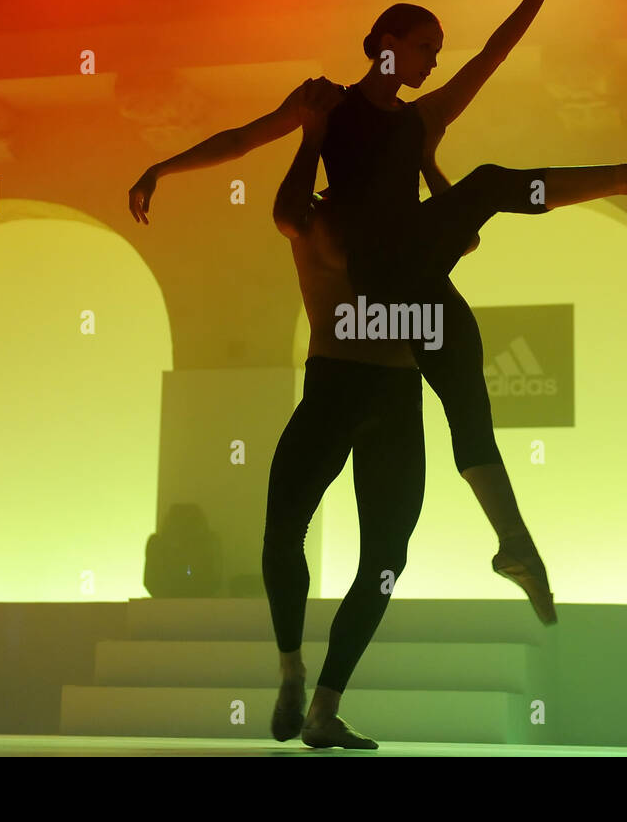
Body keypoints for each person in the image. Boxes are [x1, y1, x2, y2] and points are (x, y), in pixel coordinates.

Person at [281, 0, 627, 626]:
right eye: (427, 46)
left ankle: (513, 543)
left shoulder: (421, 120)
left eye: (438, 49)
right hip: (376, 272)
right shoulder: (330, 106)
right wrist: (162, 167)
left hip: (413, 283)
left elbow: (496, 52)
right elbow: (238, 137)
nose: (436, 59)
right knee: (490, 184)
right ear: (387, 43)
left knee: (469, 404)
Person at [128, 78, 471, 750]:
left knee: (381, 554)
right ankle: (295, 672)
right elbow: (246, 145)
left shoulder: (383, 223)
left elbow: (462, 232)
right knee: (285, 531)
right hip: (344, 384)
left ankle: (323, 701)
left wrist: (425, 157)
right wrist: (306, 137)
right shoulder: (314, 214)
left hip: (390, 390)